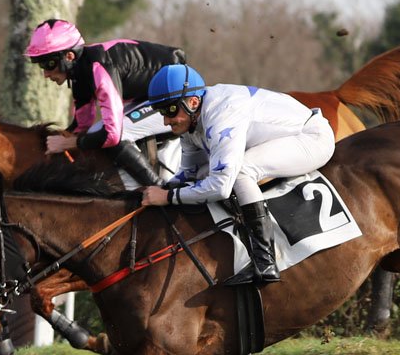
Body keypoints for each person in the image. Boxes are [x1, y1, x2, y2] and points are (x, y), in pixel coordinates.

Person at [139, 64, 336, 285]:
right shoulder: (190, 122)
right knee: (211, 172)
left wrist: (167, 198)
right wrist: (161, 189)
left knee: (241, 170)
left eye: (171, 111)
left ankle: (265, 262)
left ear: (193, 102)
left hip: (312, 138)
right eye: (162, 112)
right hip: (285, 138)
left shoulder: (221, 113)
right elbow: (190, 173)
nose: (166, 120)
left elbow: (221, 187)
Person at [25, 18, 186, 186]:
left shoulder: (99, 68)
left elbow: (112, 135)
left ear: (69, 56)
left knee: (115, 135)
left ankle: (159, 189)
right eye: (40, 65)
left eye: (48, 64)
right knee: (95, 132)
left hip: (178, 93)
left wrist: (68, 143)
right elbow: (82, 126)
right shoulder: (79, 73)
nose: (45, 74)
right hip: (153, 95)